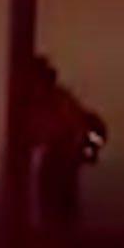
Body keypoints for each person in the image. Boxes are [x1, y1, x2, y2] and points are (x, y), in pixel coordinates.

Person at [29, 55, 102, 231]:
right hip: (62, 159)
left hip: (61, 160)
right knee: (57, 209)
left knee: (58, 209)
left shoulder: (58, 101)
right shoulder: (55, 99)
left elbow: (66, 129)